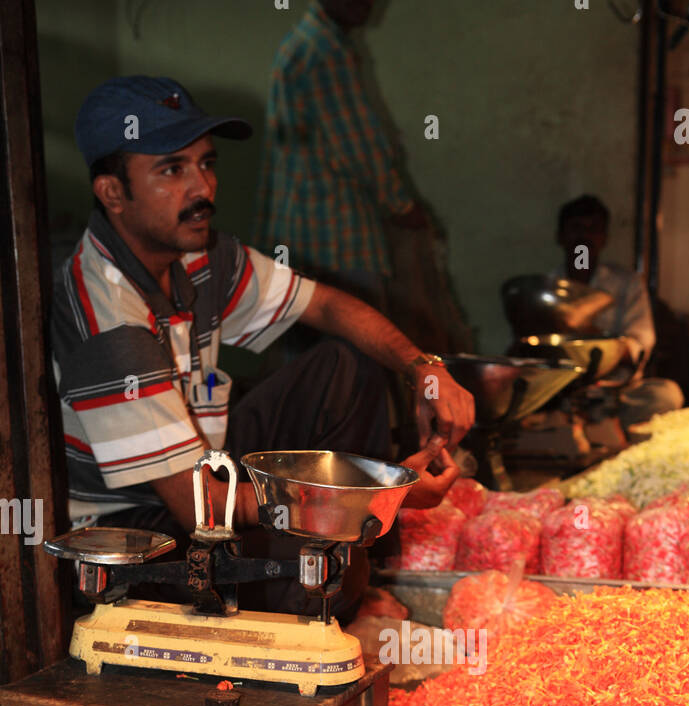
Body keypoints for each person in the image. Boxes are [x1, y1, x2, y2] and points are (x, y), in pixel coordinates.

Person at [52, 76, 473, 618]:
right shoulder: (107, 321)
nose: (202, 188)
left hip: (203, 468)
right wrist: (369, 499)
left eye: (206, 163)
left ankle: (352, 573)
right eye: (171, 170)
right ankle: (340, 588)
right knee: (313, 564)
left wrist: (425, 371)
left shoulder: (197, 259)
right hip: (141, 539)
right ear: (113, 193)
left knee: (344, 368)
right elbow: (199, 509)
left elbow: (326, 307)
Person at [253, 0, 425, 313]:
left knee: (316, 353)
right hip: (335, 238)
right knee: (356, 349)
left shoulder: (305, 44)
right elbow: (359, 146)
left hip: (302, 232)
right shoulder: (324, 52)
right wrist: (401, 205)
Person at [555, 195, 683, 429]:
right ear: (561, 236)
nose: (584, 237)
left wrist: (590, 335)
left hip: (615, 395)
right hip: (561, 393)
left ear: (604, 238)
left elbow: (640, 344)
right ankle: (578, 428)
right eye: (576, 228)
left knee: (666, 396)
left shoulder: (626, 283)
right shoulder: (548, 289)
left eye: (592, 229)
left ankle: (600, 427)